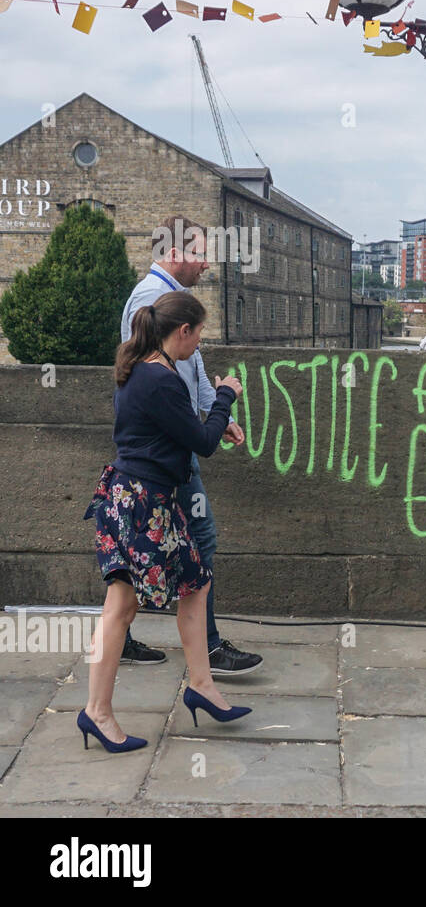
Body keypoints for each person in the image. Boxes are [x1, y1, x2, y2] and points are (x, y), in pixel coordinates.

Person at [80, 292, 253, 752]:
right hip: (143, 502)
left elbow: (178, 432)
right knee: (121, 608)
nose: (198, 345)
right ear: (182, 332)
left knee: (195, 584)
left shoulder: (141, 368)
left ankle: (202, 685)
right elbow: (202, 441)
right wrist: (225, 397)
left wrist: (219, 417)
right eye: (197, 335)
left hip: (136, 497)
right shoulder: (161, 378)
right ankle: (97, 711)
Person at [115, 217, 262, 676]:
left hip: (159, 452)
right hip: (167, 453)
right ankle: (210, 651)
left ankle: (118, 638)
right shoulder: (151, 299)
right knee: (198, 540)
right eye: (200, 253)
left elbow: (191, 367)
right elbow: (165, 386)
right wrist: (219, 410)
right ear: (175, 251)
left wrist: (224, 418)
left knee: (140, 546)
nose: (206, 264)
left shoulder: (168, 299)